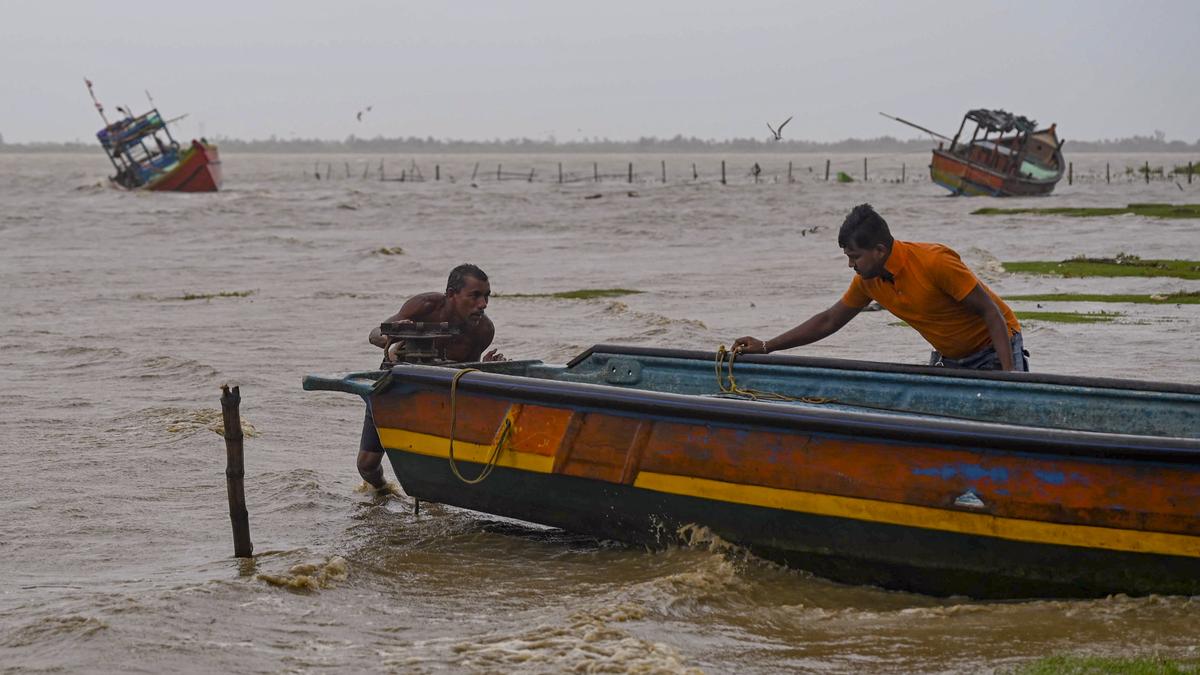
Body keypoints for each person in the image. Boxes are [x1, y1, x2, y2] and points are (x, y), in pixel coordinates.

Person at [733, 203, 1029, 371]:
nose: (851, 266)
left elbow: (992, 314)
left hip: (994, 348)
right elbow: (828, 320)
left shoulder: (934, 262)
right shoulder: (869, 282)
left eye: (854, 257)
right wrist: (766, 347)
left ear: (878, 250)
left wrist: (1009, 379)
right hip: (949, 357)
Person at [357, 263, 505, 493]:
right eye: (474, 296)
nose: (483, 304)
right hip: (395, 385)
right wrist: (393, 333)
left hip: (439, 396)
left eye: (486, 297)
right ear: (451, 295)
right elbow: (375, 334)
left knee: (435, 462)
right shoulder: (425, 306)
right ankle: (383, 491)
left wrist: (486, 370)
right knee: (366, 465)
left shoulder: (483, 330)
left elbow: (467, 376)